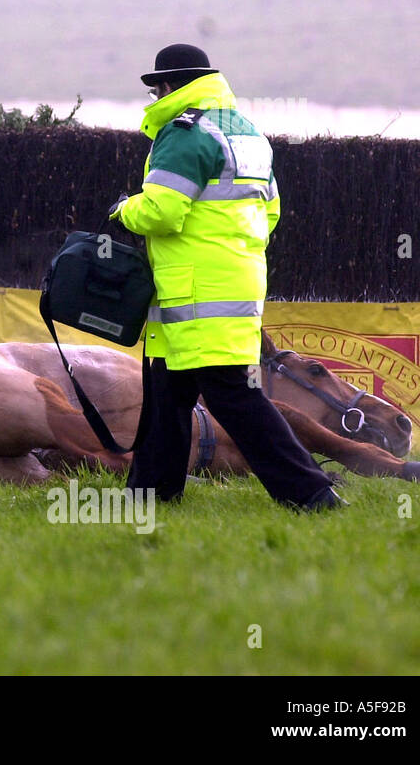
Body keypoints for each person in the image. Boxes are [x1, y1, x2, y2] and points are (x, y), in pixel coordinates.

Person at [110, 44, 342, 510]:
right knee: (167, 394)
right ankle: (149, 496)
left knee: (237, 399)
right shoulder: (248, 134)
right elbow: (270, 214)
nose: (154, 96)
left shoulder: (184, 134)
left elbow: (161, 211)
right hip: (232, 287)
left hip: (195, 292)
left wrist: (122, 210)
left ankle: (313, 495)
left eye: (156, 87)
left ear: (170, 86)